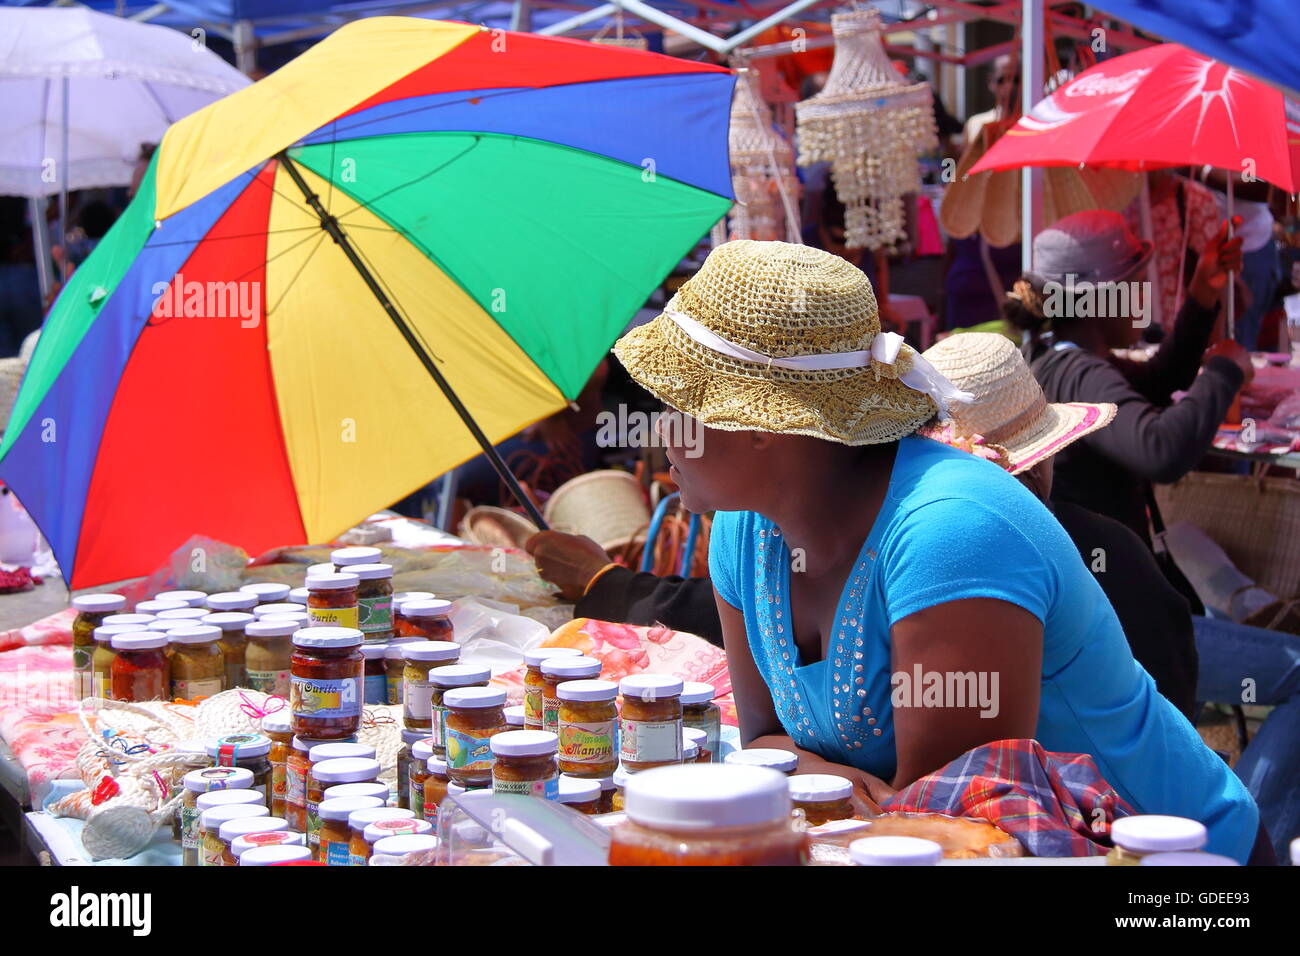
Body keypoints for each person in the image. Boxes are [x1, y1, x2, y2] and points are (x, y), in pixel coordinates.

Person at [612, 238, 1260, 861]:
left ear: (760, 423)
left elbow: (938, 829)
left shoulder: (951, 533)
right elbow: (766, 746)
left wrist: (824, 778)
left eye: (679, 401)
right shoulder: (743, 530)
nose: (658, 428)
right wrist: (830, 779)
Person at [1013, 210, 1253, 547]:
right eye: (1138, 285)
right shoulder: (1080, 376)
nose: (1144, 300)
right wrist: (1223, 373)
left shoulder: (1052, 355)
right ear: (1101, 298)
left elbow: (1157, 381)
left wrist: (1202, 292)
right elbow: (1161, 450)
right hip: (1108, 588)